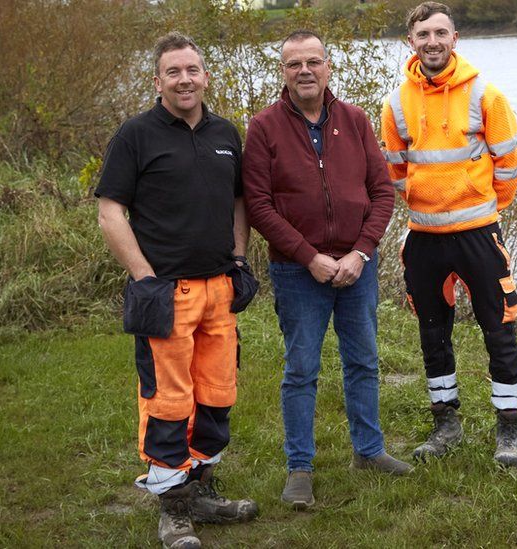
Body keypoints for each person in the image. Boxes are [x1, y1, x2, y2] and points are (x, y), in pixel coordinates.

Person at [96, 32, 259, 549]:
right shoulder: (135, 135)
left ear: (205, 75)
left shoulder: (226, 133)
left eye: (192, 70)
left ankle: (202, 491)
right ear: (158, 81)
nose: (184, 79)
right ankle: (173, 508)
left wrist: (238, 259)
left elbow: (239, 203)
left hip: (219, 290)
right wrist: (145, 276)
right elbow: (110, 212)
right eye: (174, 72)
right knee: (168, 400)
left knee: (216, 394)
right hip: (165, 292)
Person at [243, 29, 411, 510]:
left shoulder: (356, 121)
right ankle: (300, 468)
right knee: (301, 370)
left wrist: (360, 252)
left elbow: (382, 193)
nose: (305, 71)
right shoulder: (264, 127)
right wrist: (307, 256)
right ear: (284, 71)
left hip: (358, 267)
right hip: (300, 273)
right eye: (295, 64)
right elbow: (258, 205)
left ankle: (369, 450)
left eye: (313, 62)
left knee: (363, 361)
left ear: (328, 66)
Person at [381, 2, 517, 467]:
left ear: (455, 38)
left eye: (440, 33)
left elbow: (511, 164)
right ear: (411, 43)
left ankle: (509, 432)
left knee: (498, 330)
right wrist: (426, 203)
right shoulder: (396, 102)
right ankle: (446, 424)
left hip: (479, 236)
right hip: (423, 239)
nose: (432, 42)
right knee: (432, 333)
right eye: (423, 34)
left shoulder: (486, 94)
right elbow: (396, 172)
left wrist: (484, 207)